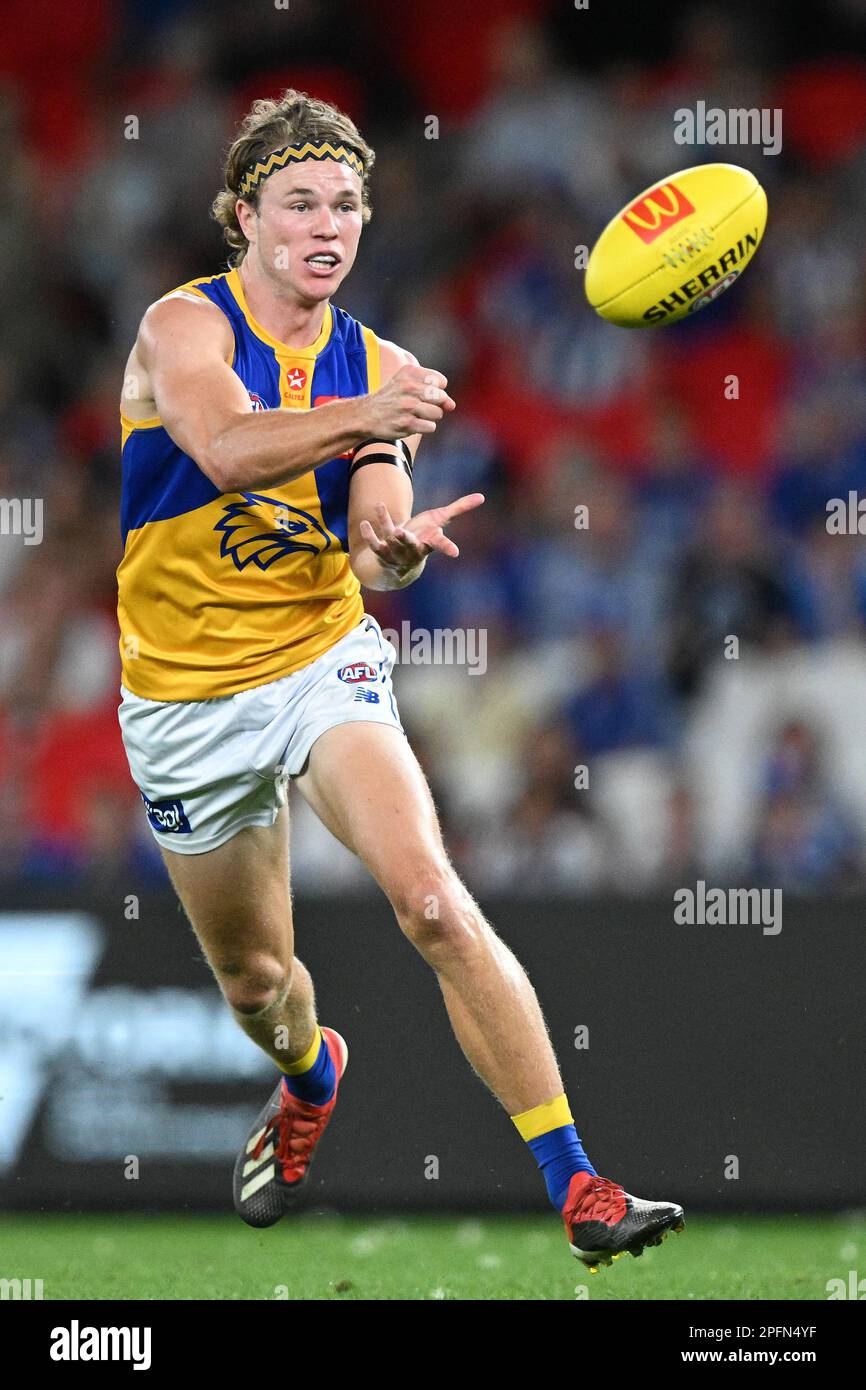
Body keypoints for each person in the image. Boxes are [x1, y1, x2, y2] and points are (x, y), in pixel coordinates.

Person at [116, 89, 683, 1270]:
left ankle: (576, 1182)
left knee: (430, 896)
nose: (326, 224)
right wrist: (367, 418)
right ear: (244, 218)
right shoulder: (185, 327)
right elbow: (221, 449)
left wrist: (395, 543)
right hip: (181, 703)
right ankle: (310, 1071)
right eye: (298, 203)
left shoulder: (380, 366)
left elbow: (372, 527)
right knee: (256, 979)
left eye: (346, 205)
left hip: (318, 661)